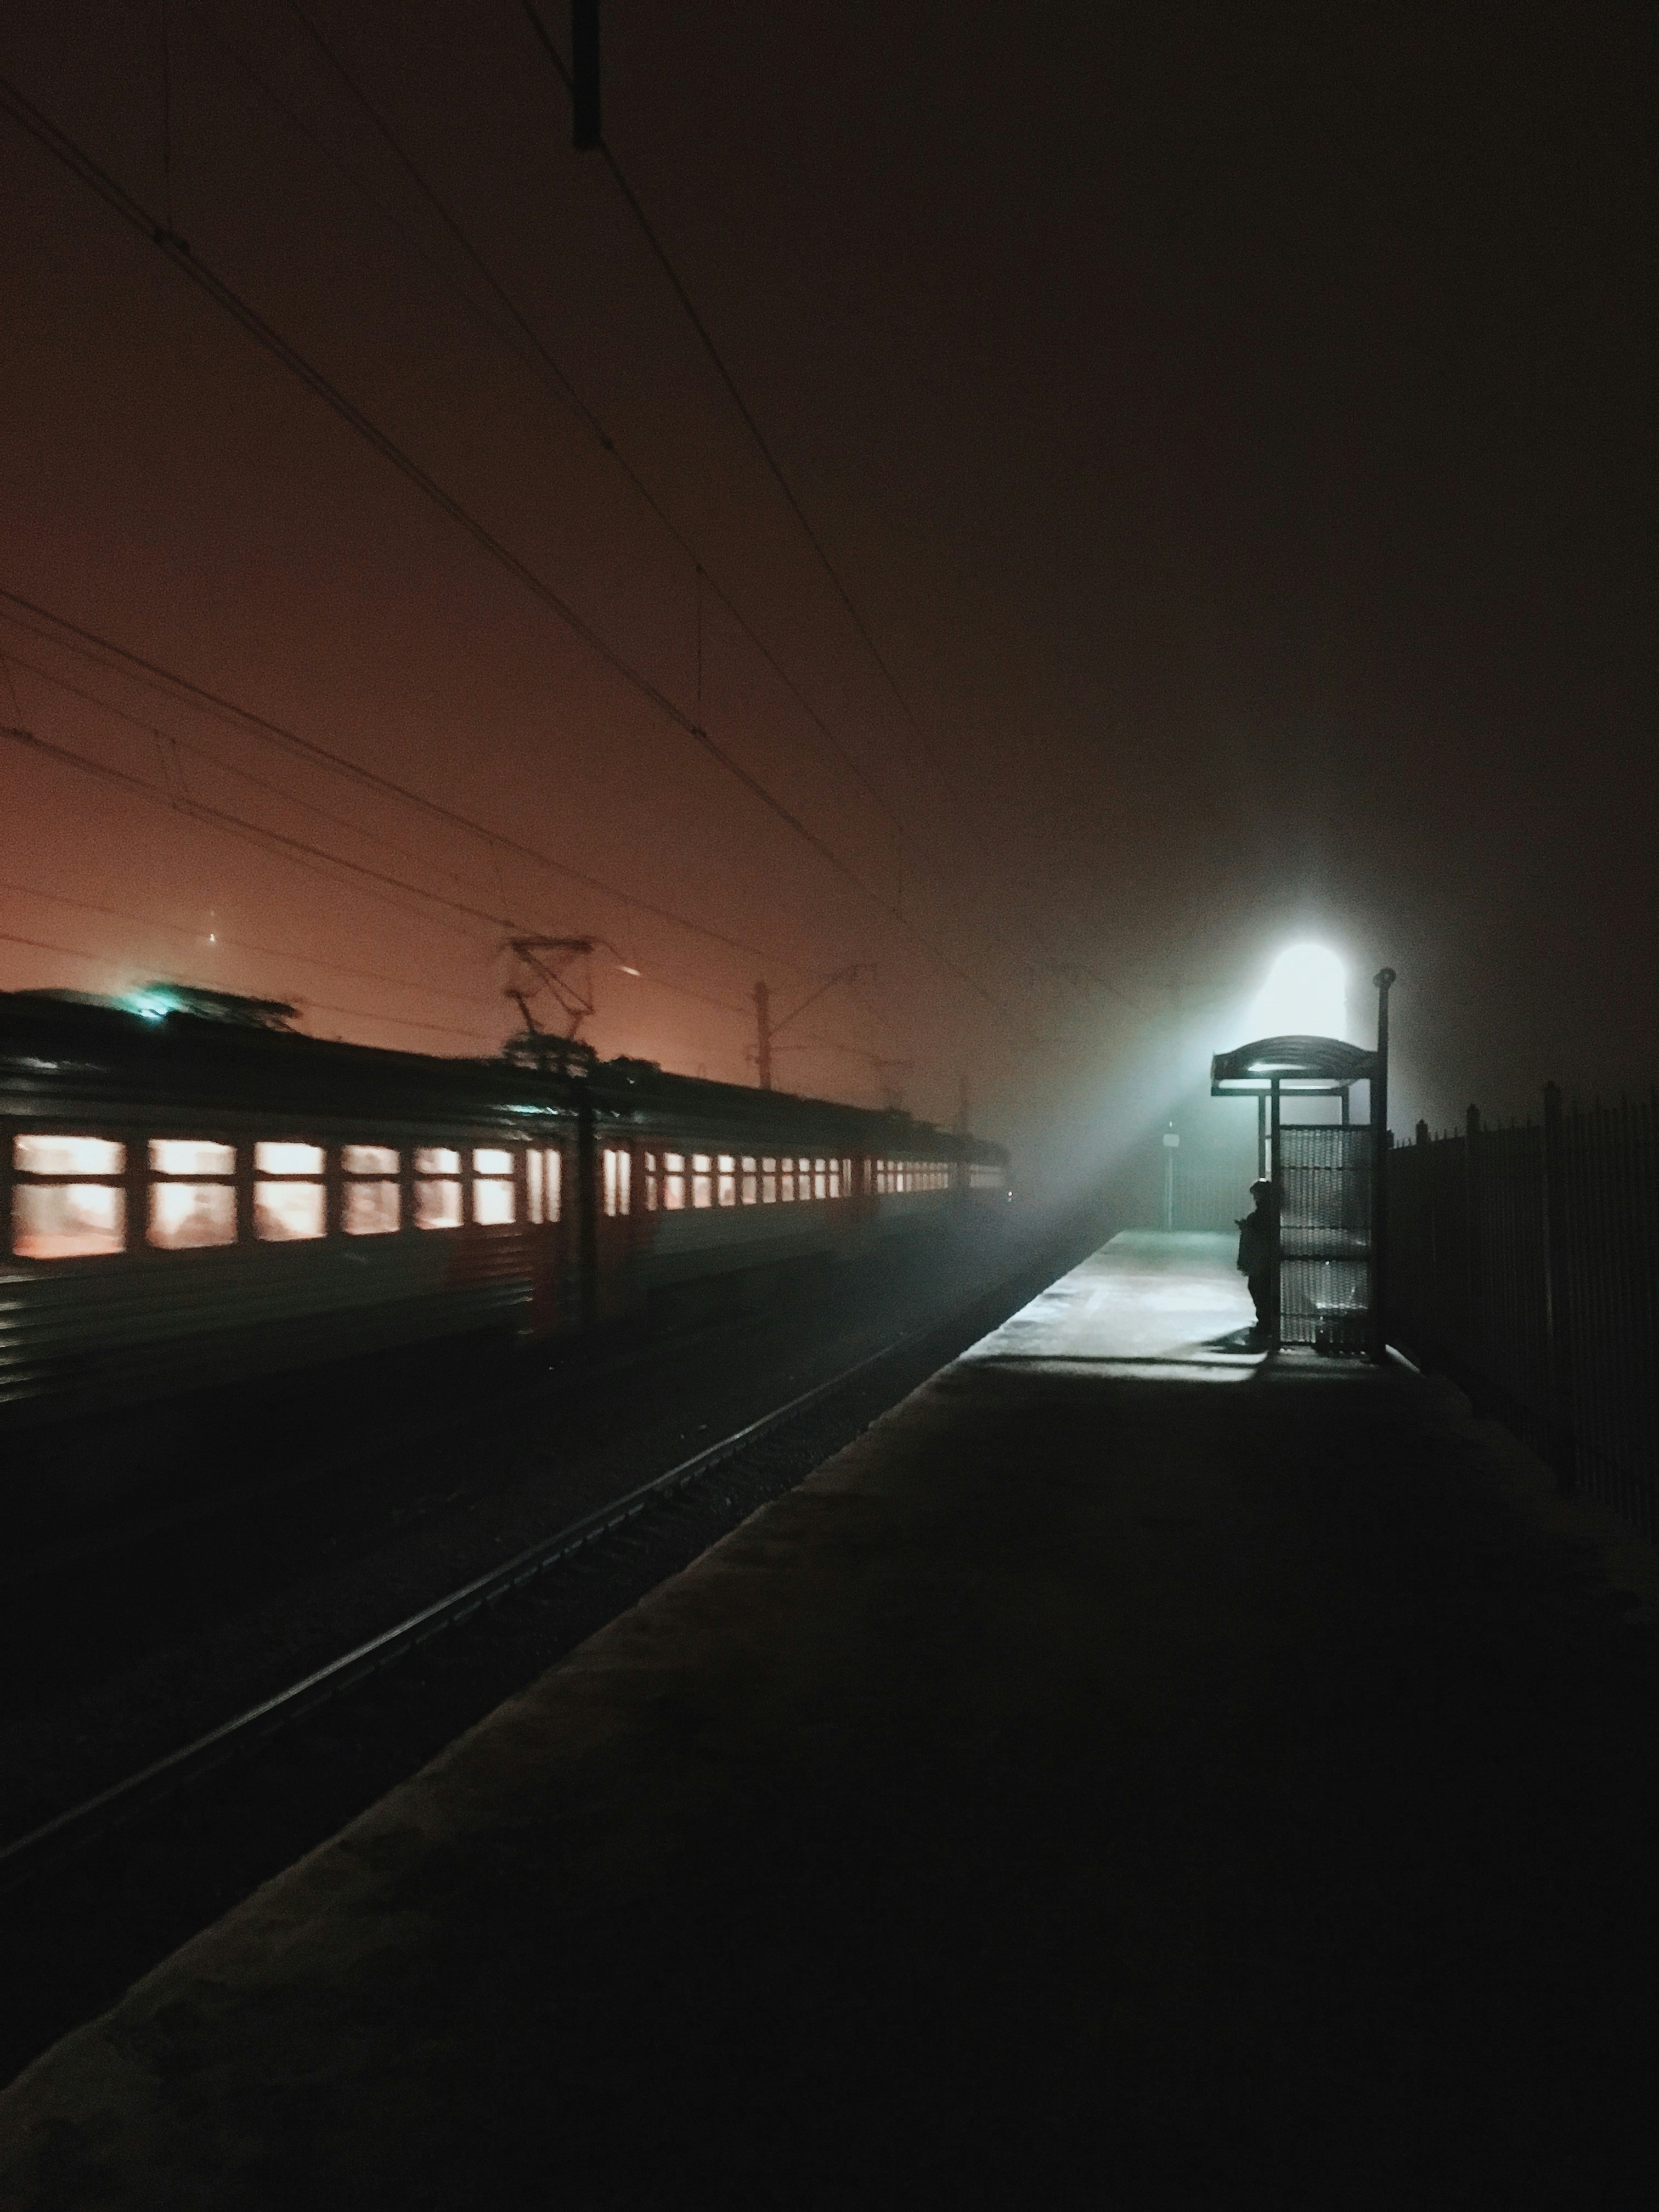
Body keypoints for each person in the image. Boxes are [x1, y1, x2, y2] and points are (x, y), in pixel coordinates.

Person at [1235, 1177, 1278, 1339]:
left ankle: (1266, 1323)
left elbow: (1260, 1229)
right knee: (1261, 1288)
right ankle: (1267, 1322)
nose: (1255, 1199)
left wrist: (1247, 1226)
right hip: (1265, 1257)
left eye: (1256, 1195)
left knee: (1259, 1288)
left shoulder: (1265, 1212)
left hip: (1263, 1258)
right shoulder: (1270, 1210)